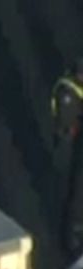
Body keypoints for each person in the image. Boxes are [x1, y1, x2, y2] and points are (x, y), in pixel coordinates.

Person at [52, 58, 83, 253]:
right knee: (77, 187)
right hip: (74, 145)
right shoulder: (67, 92)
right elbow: (67, 126)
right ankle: (70, 232)